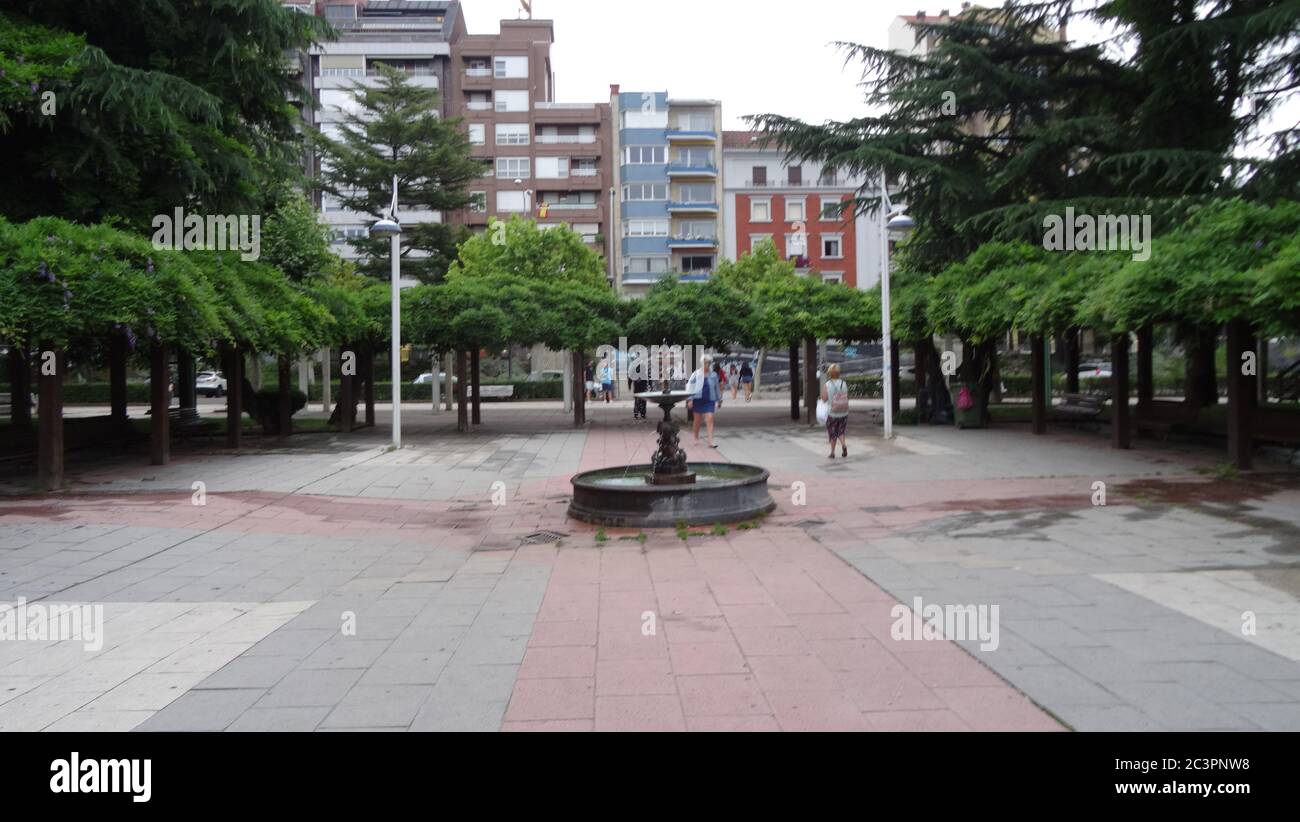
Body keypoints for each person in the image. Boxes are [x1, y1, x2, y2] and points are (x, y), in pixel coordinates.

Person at [686, 355, 722, 448]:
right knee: (697, 420)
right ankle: (696, 437)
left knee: (710, 418)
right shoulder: (696, 374)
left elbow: (717, 388)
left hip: (710, 400)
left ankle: (710, 441)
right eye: (705, 363)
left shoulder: (713, 375)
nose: (707, 365)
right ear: (702, 363)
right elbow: (690, 386)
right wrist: (690, 399)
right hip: (698, 400)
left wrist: (719, 400)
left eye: (709, 363)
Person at [821, 363, 850, 459]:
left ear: (829, 373)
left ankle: (832, 453)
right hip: (844, 411)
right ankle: (843, 445)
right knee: (841, 431)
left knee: (833, 433)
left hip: (832, 413)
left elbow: (824, 399)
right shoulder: (844, 383)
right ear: (838, 373)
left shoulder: (827, 384)